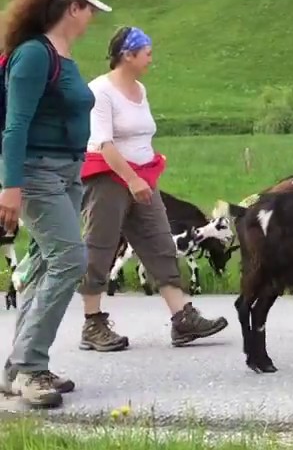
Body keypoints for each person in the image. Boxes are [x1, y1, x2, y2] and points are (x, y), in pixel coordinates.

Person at [77, 25, 227, 352]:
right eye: (147, 53)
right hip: (108, 180)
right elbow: (103, 143)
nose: (151, 59)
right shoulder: (100, 90)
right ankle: (92, 323)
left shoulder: (140, 90)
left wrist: (146, 167)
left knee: (159, 244)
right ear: (127, 55)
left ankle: (182, 319)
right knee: (100, 247)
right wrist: (131, 179)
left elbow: (138, 133)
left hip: (143, 180)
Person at [0, 0, 109, 409]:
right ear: (73, 8)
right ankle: (30, 366)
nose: (91, 19)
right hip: (38, 171)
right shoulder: (33, 55)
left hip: (68, 172)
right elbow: (15, 124)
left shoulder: (64, 55)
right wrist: (10, 186)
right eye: (89, 10)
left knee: (48, 264)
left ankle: (16, 370)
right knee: (70, 260)